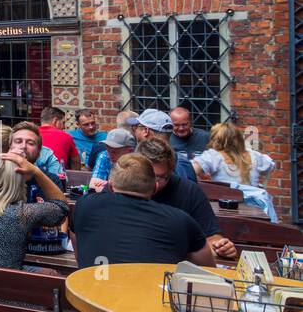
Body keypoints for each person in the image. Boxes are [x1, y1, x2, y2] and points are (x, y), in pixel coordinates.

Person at [70, 153, 215, 268]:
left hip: (92, 295)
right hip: (149, 300)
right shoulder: (180, 221)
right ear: (155, 188)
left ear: (112, 185)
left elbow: (79, 253)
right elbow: (207, 270)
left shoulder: (84, 206)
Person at [0, 153, 70, 270]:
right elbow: (62, 208)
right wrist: (37, 172)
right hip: (7, 285)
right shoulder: (21, 214)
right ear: (18, 182)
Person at [133, 138, 238, 260]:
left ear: (171, 171)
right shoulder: (124, 188)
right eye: (148, 176)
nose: (154, 183)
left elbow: (211, 237)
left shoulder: (189, 192)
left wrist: (221, 246)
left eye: (160, 177)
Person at [192, 121, 277, 220]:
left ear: (216, 140)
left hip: (226, 210)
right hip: (256, 210)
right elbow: (270, 166)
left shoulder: (213, 156)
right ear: (238, 138)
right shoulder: (255, 155)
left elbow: (190, 171)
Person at [127, 108, 197, 181]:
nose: (134, 131)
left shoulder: (143, 164)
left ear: (146, 131)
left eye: (136, 127)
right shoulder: (183, 162)